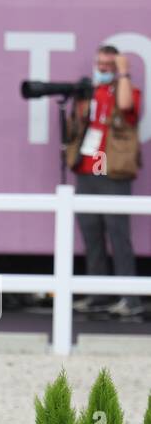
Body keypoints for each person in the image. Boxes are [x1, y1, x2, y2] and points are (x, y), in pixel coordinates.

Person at [66, 44, 143, 317]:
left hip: (112, 170)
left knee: (118, 234)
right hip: (88, 169)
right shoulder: (90, 91)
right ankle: (98, 294)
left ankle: (130, 299)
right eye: (100, 63)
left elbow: (126, 107)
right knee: (91, 234)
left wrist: (123, 73)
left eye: (109, 65)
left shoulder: (128, 90)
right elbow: (75, 124)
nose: (103, 69)